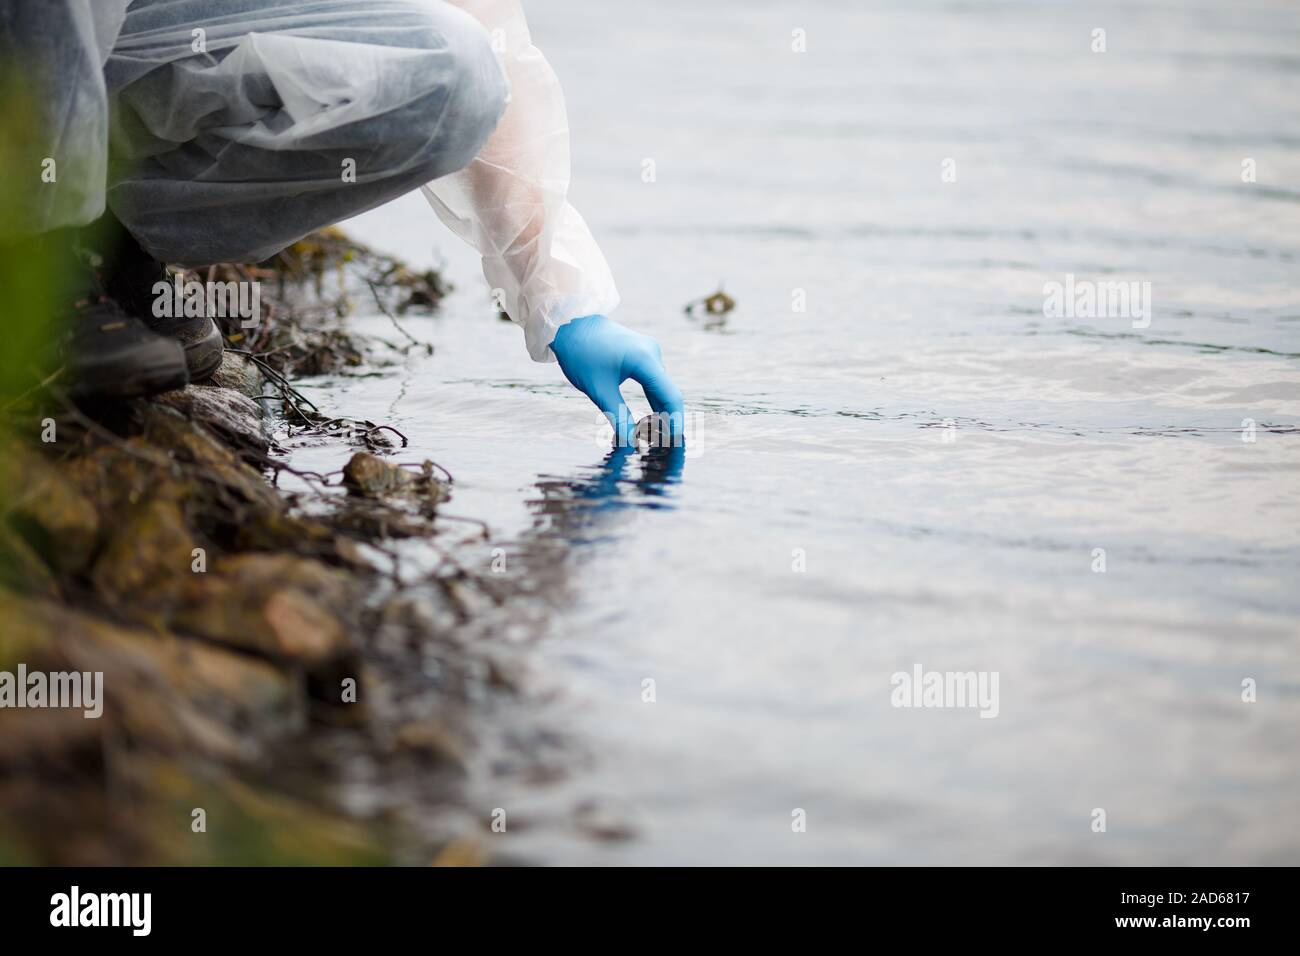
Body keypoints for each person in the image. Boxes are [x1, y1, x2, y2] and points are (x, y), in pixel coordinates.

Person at [0, 0, 682, 446]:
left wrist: (561, 299)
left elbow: (489, 30)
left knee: (454, 68)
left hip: (129, 39)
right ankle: (41, 250)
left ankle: (105, 235)